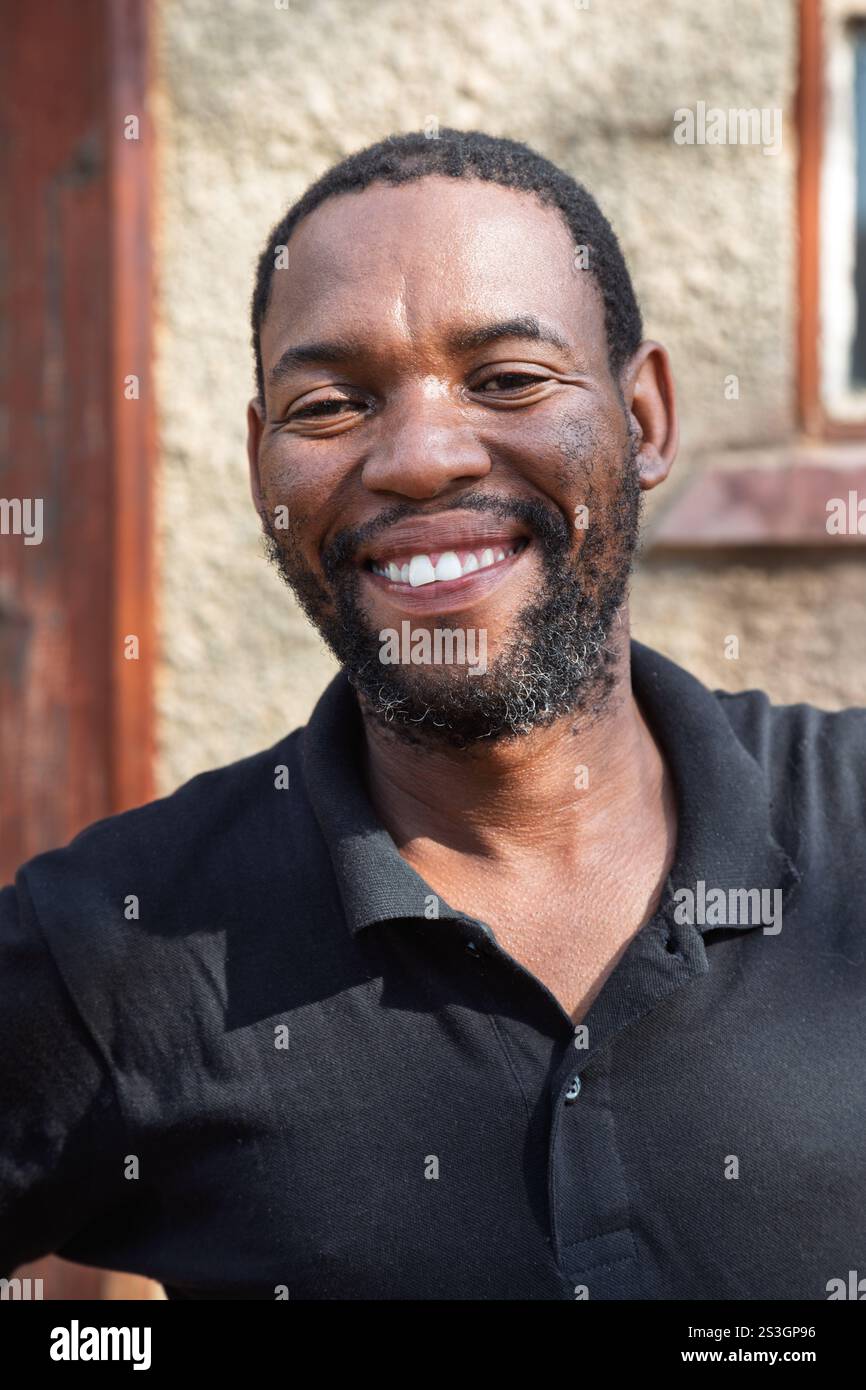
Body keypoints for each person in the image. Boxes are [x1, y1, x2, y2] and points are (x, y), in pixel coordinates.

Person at [2, 129, 864, 1301]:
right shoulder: (119, 945)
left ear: (645, 418)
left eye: (508, 378)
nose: (417, 457)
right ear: (263, 469)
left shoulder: (850, 826)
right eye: (330, 404)